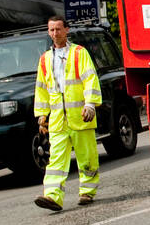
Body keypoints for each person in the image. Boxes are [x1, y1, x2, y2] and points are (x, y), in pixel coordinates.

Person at [33, 16, 102, 211]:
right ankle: (53, 196)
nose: (55, 33)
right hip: (57, 120)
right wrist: (42, 115)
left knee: (86, 157)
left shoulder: (79, 53)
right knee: (55, 160)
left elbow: (90, 79)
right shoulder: (45, 59)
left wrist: (90, 104)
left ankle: (87, 191)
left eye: (58, 29)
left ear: (67, 30)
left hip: (80, 115)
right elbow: (41, 88)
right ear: (48, 32)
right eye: (51, 30)